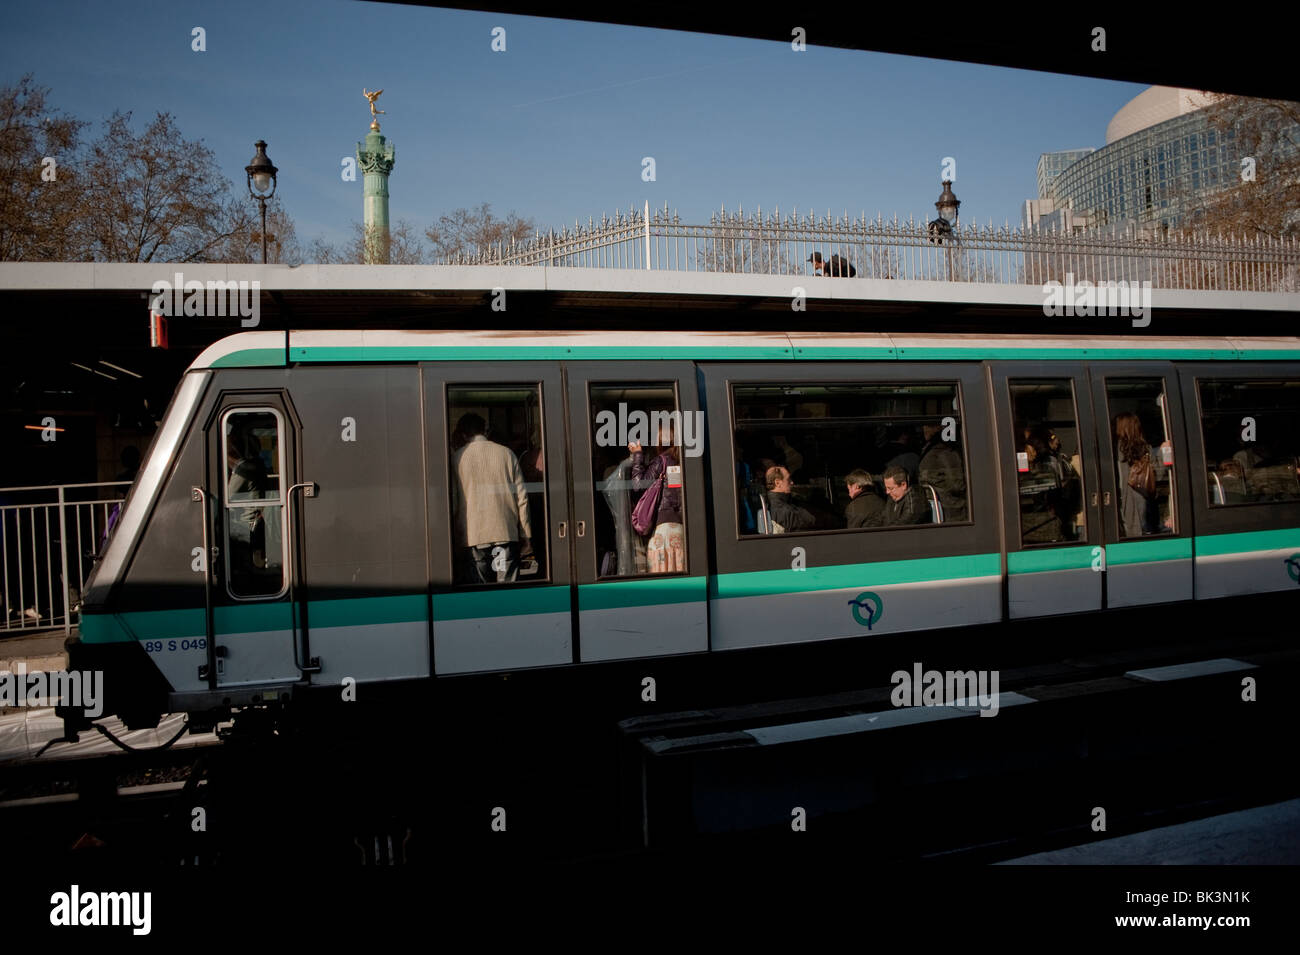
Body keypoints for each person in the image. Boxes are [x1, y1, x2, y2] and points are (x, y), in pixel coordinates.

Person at [452, 412, 532, 583]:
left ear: (464, 434)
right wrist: (525, 533)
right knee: (506, 586)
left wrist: (456, 534)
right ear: (485, 431)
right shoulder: (507, 454)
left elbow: (454, 502)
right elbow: (522, 497)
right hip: (505, 532)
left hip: (474, 536)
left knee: (480, 589)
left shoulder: (457, 458)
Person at [631, 420, 686, 573]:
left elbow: (638, 485)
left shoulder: (660, 461)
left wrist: (637, 455)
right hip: (679, 529)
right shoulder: (682, 460)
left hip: (662, 530)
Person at [1114, 412, 1169, 537]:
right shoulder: (1143, 449)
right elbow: (1158, 475)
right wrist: (1162, 451)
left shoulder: (1112, 450)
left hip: (1122, 503)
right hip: (1140, 503)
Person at [917, 423, 967, 521]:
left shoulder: (938, 452)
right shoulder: (939, 451)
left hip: (947, 509)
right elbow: (957, 484)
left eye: (929, 425)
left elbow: (957, 483)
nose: (924, 428)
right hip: (947, 509)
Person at [764, 465, 817, 532]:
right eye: (788, 479)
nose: (792, 482)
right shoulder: (785, 511)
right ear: (777, 483)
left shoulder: (768, 504)